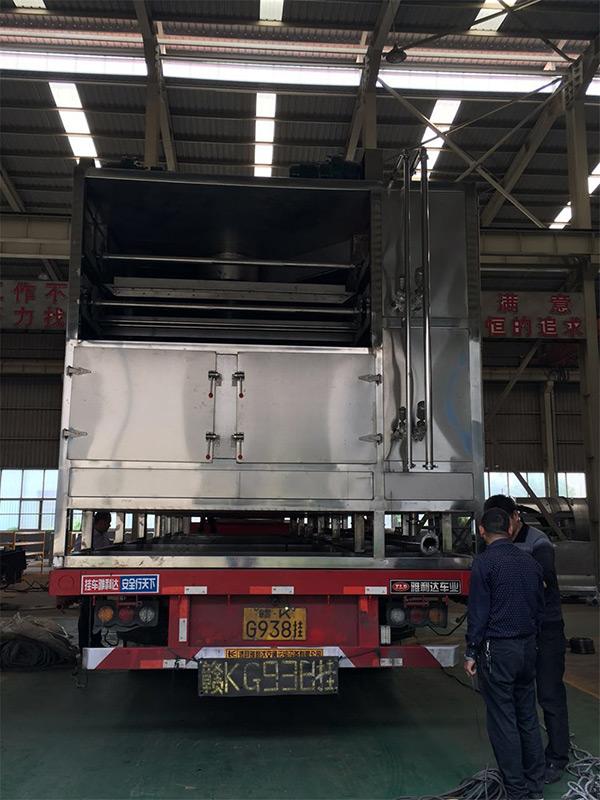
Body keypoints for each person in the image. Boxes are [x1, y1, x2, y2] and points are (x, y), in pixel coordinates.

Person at [485, 494, 569, 784]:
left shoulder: (538, 544)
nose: (498, 526)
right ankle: (525, 762)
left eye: (502, 520)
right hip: (518, 633)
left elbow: (544, 585)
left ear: (515, 518)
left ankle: (557, 757)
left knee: (549, 693)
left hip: (545, 629)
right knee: (520, 699)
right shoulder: (495, 544)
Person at [465, 507, 546, 800]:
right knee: (527, 716)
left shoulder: (484, 563)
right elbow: (539, 606)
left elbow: (479, 613)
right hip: (527, 648)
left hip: (499, 649)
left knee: (503, 719)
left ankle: (516, 790)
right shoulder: (529, 562)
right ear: (510, 530)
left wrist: (471, 652)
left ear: (481, 530)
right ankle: (534, 785)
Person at [74, 511, 113, 649]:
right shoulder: (87, 537)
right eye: (107, 523)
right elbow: (77, 555)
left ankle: (96, 641)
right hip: (90, 581)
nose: (109, 526)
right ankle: (84, 644)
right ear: (100, 522)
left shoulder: (104, 537)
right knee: (87, 614)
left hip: (102, 580)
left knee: (99, 613)